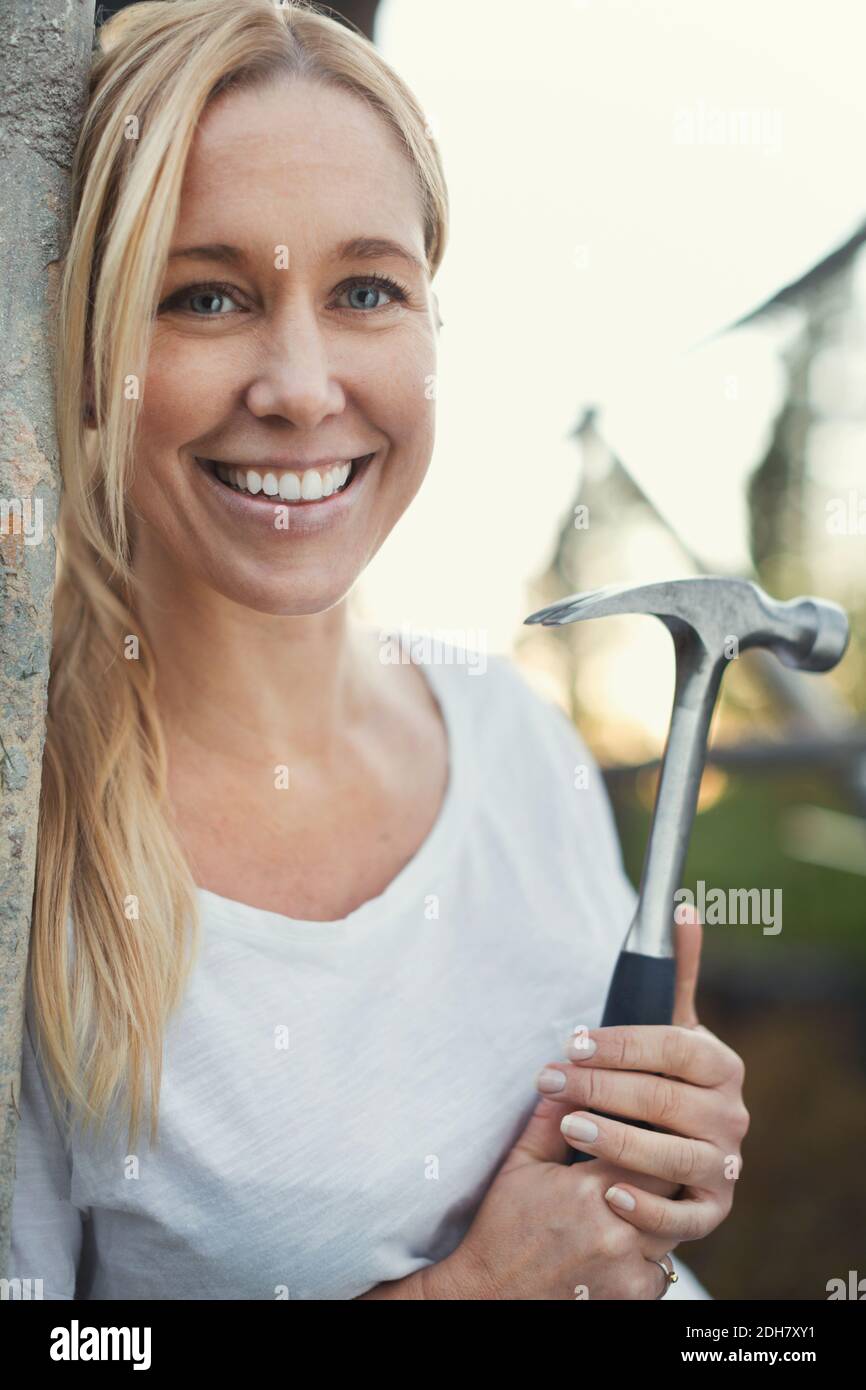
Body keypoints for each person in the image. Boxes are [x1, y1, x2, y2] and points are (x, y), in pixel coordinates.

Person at [8, 0, 747, 1301]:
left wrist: (658, 1152)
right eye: (207, 294)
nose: (298, 385)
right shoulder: (32, 857)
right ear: (90, 351)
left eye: (363, 289)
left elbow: (604, 1228)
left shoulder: (517, 742)